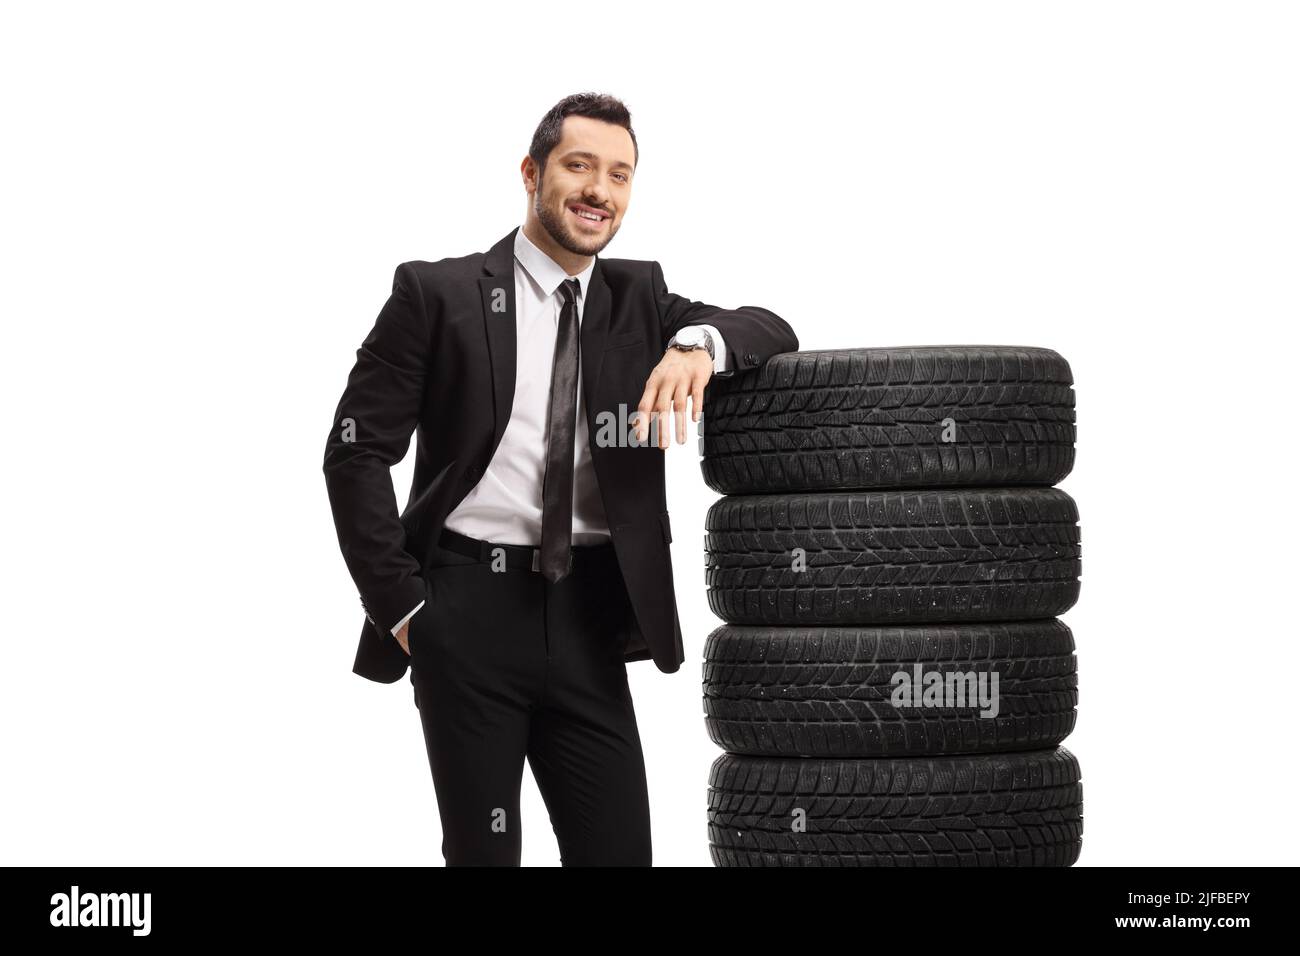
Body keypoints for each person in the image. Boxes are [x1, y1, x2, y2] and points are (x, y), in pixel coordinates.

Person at [322, 92, 798, 865]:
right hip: (465, 610)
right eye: (579, 166)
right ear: (532, 172)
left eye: (619, 174)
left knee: (616, 853)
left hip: (587, 618)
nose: (598, 191)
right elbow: (354, 453)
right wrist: (404, 607)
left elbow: (771, 326)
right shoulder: (436, 295)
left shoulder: (639, 301)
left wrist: (696, 346)